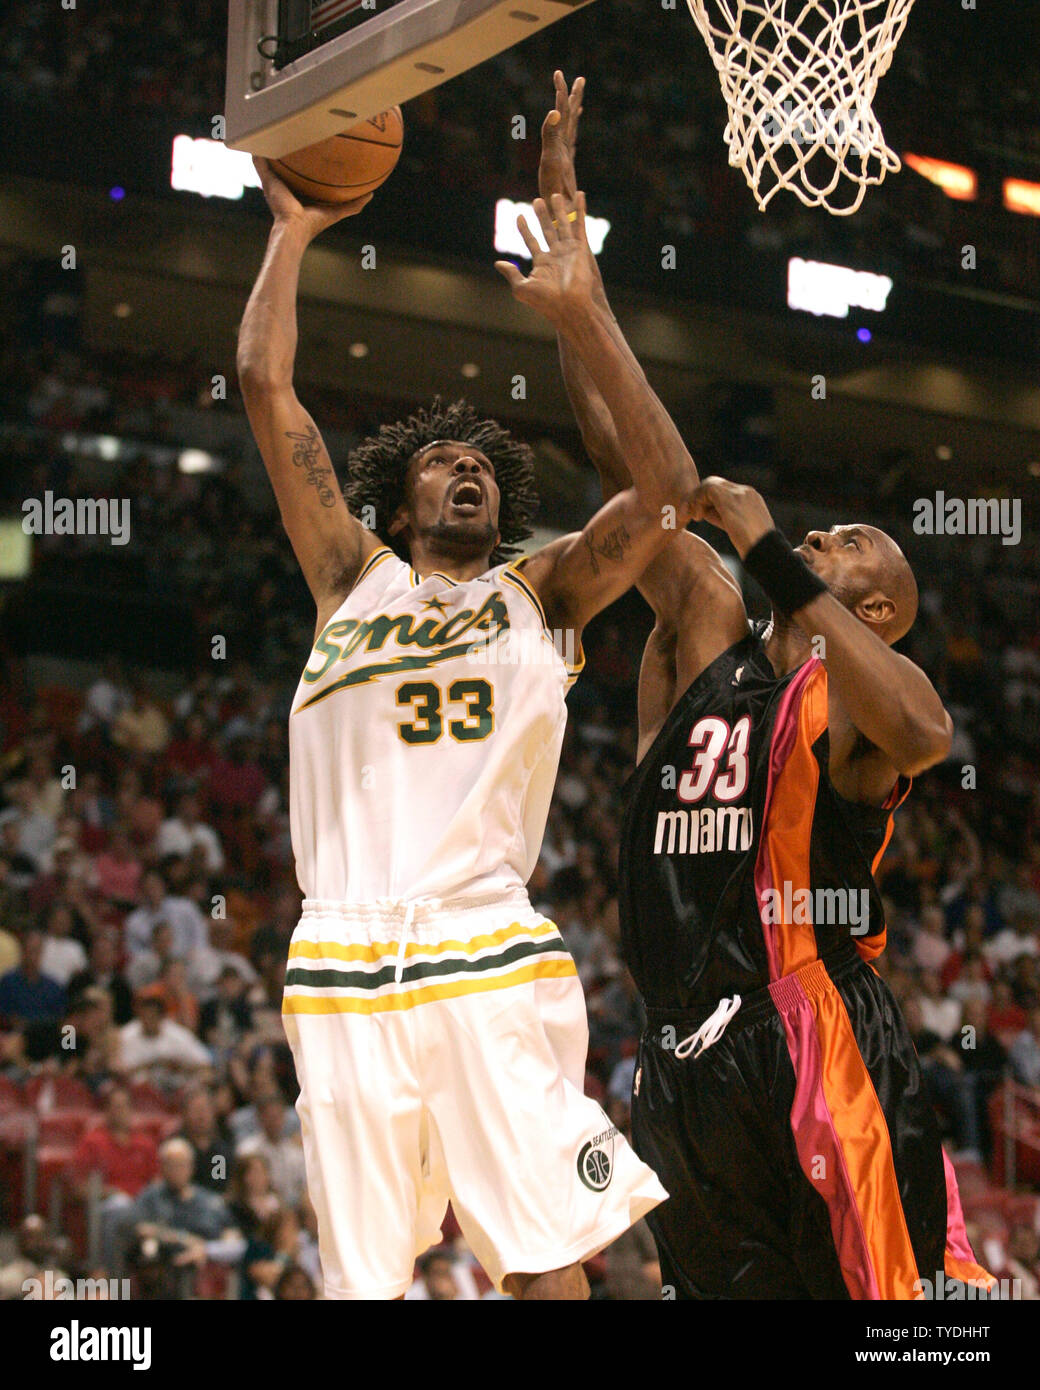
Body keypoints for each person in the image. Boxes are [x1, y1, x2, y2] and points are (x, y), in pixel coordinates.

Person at [234, 71, 720, 1298]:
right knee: (364, 1281)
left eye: (483, 467)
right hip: (336, 957)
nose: (467, 475)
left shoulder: (541, 591)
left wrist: (579, 313)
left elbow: (665, 489)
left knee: (550, 1246)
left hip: (482, 942)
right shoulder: (350, 580)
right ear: (397, 501)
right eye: (442, 464)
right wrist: (292, 234)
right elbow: (265, 388)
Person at [543, 71, 993, 1300]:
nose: (824, 539)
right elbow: (630, 477)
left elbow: (920, 727)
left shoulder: (858, 692)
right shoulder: (706, 632)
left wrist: (768, 555)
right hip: (679, 1062)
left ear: (881, 607)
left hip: (816, 1027)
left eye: (851, 541)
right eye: (822, 532)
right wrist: (579, 305)